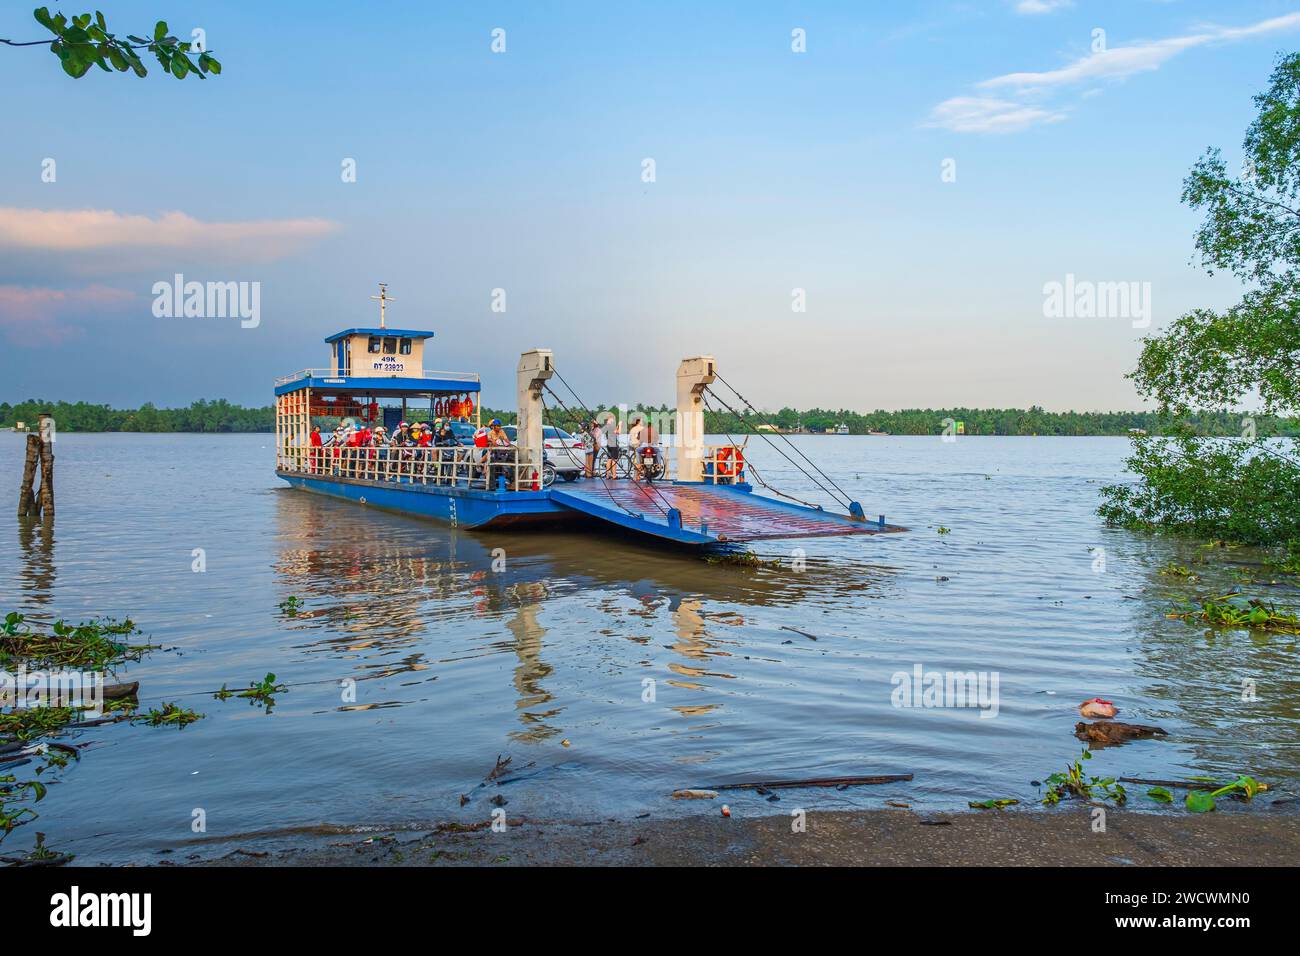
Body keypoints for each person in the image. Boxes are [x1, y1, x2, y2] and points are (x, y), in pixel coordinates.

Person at [485, 418, 513, 489]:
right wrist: (492, 440)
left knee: (510, 464)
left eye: (499, 426)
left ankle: (509, 483)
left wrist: (509, 444)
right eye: (497, 426)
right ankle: (492, 486)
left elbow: (506, 439)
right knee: (491, 467)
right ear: (494, 427)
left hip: (502, 451)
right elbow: (488, 439)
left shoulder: (502, 432)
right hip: (493, 451)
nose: (498, 427)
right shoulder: (490, 433)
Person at [602, 414, 621, 479]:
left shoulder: (607, 426)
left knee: (609, 459)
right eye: (612, 419)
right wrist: (619, 425)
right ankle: (614, 475)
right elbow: (618, 432)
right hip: (613, 445)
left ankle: (607, 475)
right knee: (614, 460)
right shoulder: (611, 426)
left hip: (608, 444)